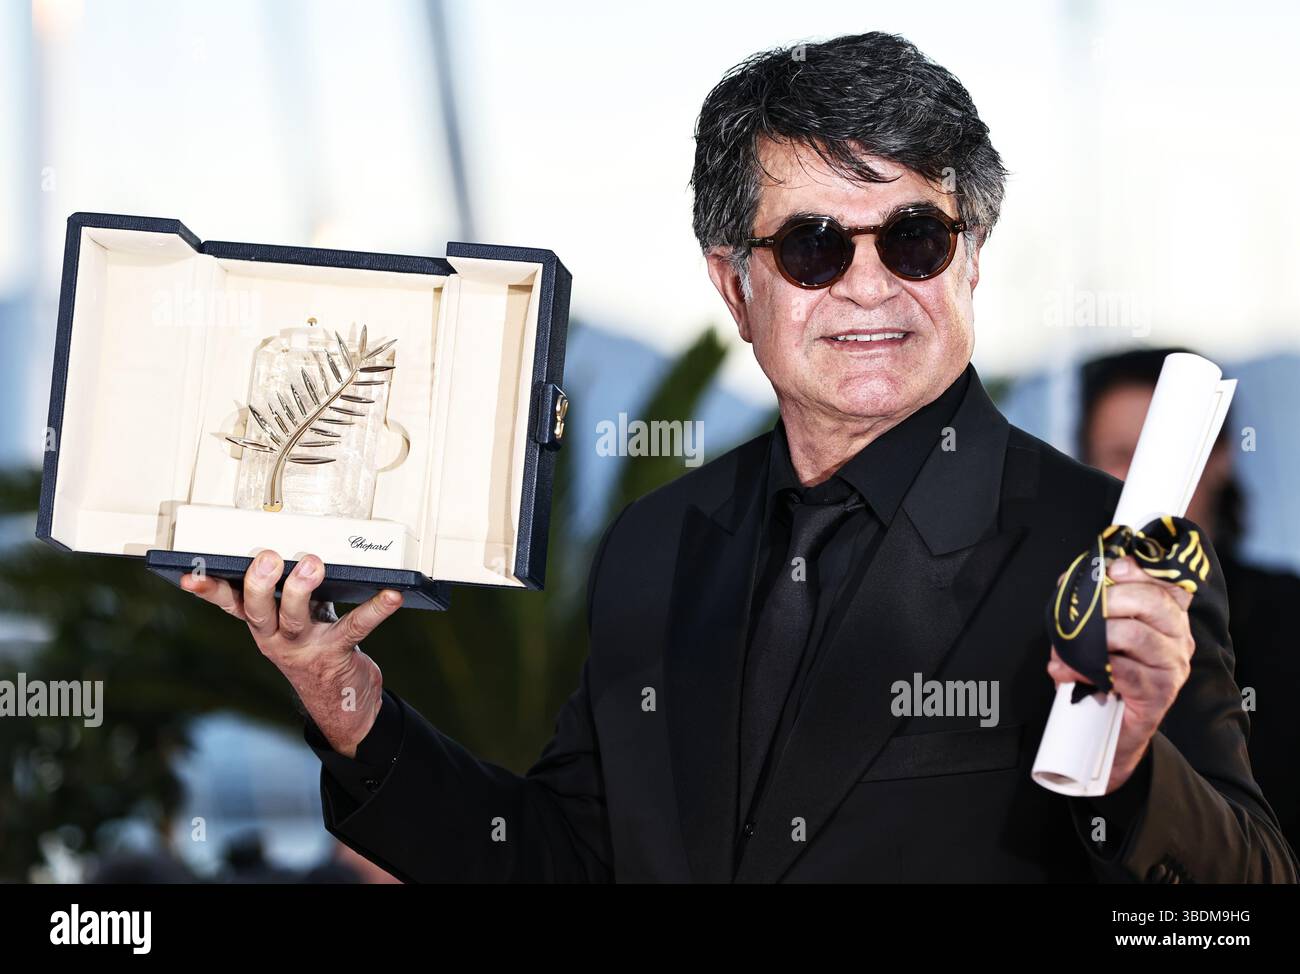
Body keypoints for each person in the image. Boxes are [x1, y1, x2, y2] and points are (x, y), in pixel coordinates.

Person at [181, 32, 1297, 883]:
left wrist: (1127, 771)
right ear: (734, 283)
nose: (868, 286)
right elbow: (554, 859)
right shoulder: (657, 546)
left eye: (914, 237)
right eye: (813, 245)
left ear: (968, 261)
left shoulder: (1099, 545)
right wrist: (345, 698)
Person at [1080, 347, 1300, 857]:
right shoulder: (1066, 617)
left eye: (1164, 453)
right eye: (1119, 454)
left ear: (1218, 456)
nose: (1142, 478)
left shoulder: (1287, 615)